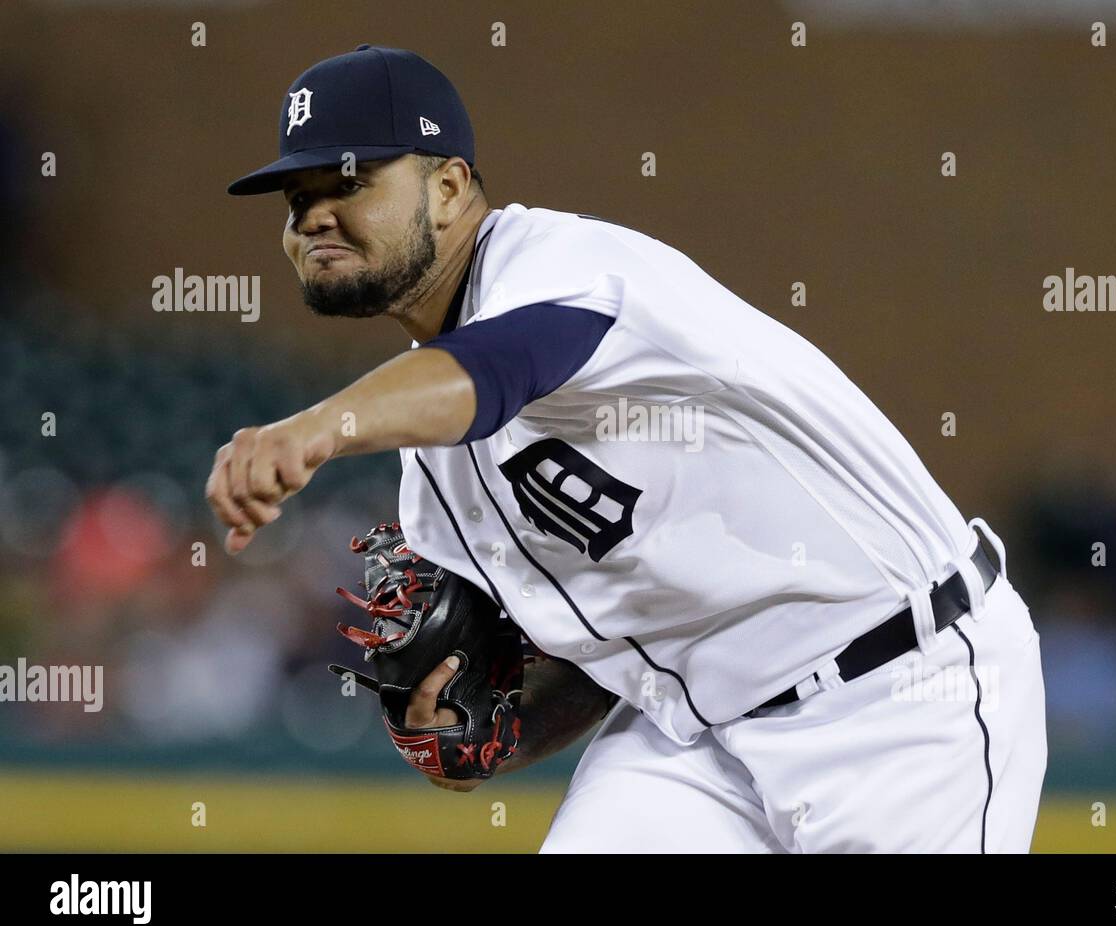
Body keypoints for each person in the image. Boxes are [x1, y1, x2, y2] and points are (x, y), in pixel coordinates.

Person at [211, 44, 1047, 852]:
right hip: (694, 735)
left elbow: (503, 366)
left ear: (449, 187)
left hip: (906, 693)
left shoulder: (563, 266)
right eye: (295, 199)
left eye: (349, 180)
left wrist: (317, 426)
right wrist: (485, 738)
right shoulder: (433, 459)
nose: (314, 214)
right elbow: (597, 658)